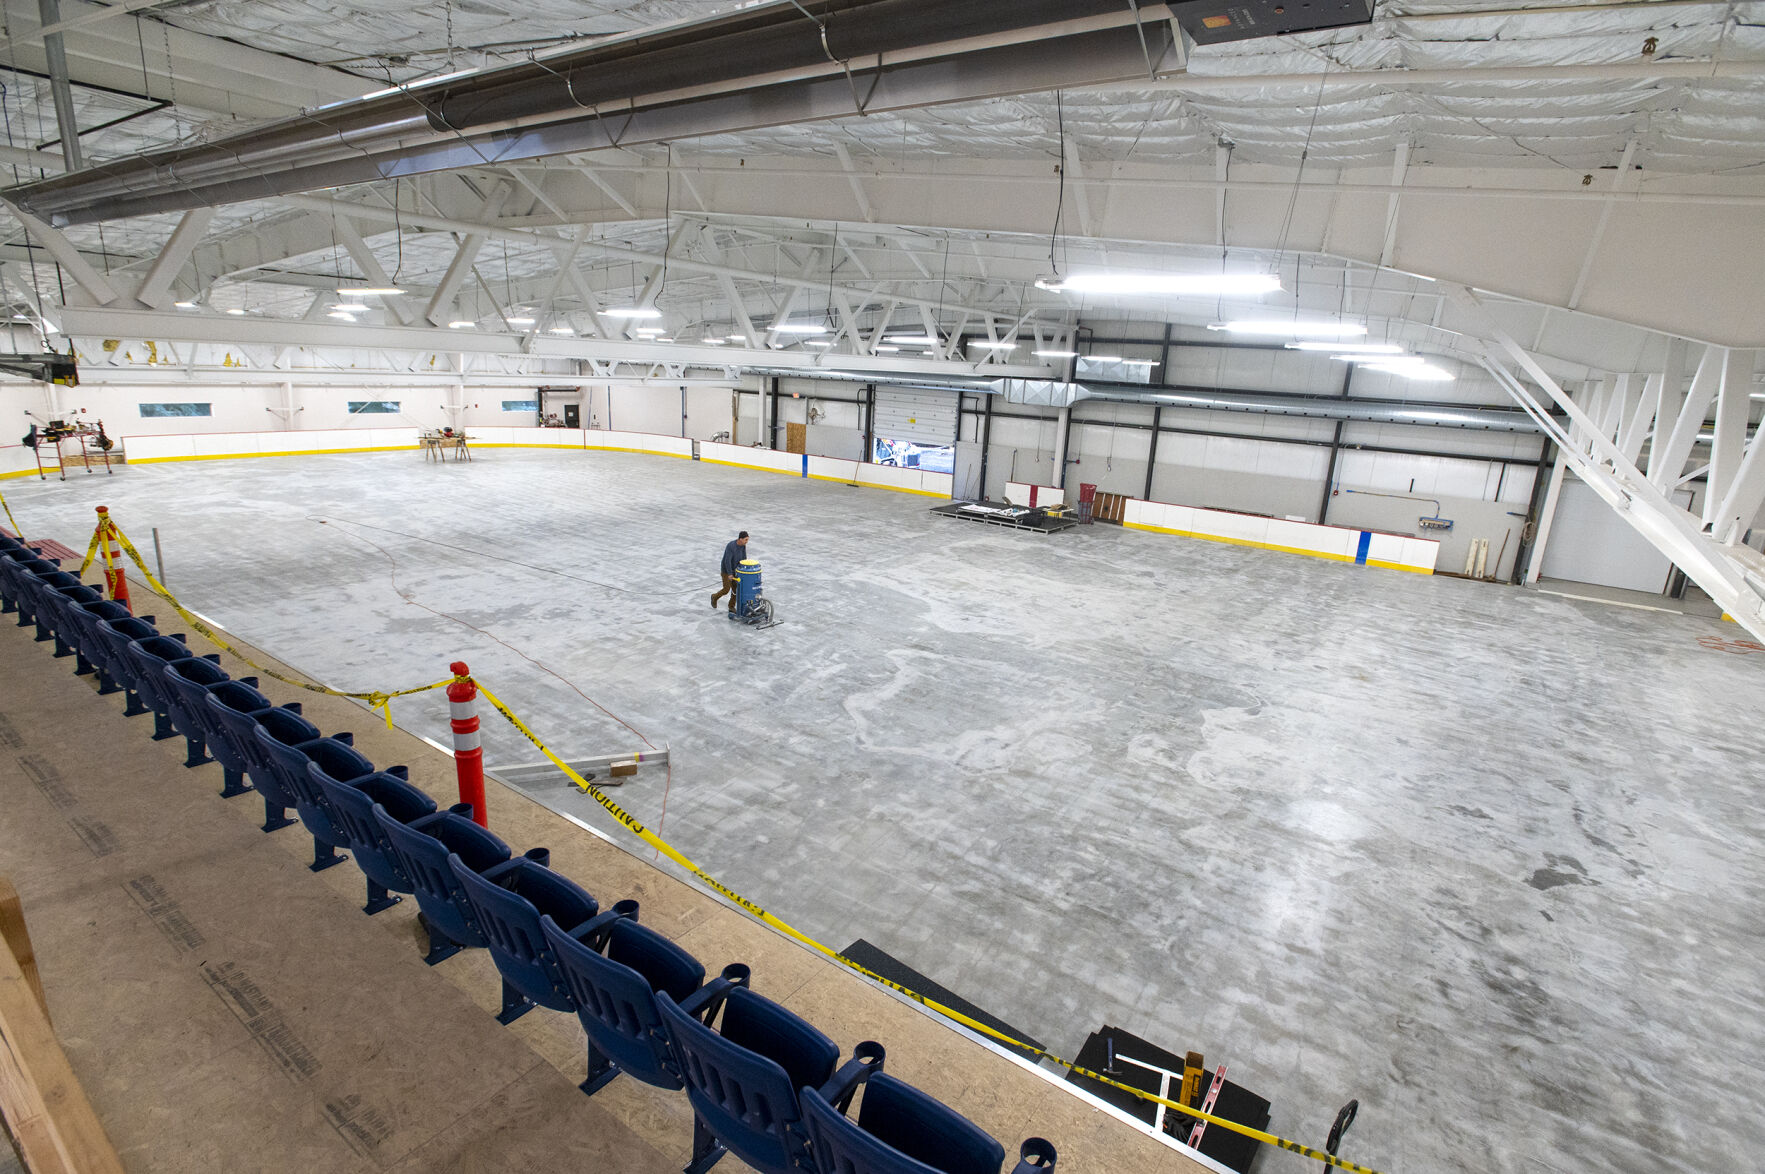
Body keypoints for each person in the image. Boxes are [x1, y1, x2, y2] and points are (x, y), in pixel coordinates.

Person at [712, 531, 749, 612]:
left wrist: (744, 569)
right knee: (726, 590)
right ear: (740, 539)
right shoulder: (731, 546)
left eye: (747, 540)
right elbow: (727, 561)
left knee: (736, 590)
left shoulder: (743, 546)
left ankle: (731, 606)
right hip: (726, 571)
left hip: (736, 570)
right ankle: (714, 597)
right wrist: (729, 573)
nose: (747, 541)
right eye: (746, 540)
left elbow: (744, 558)